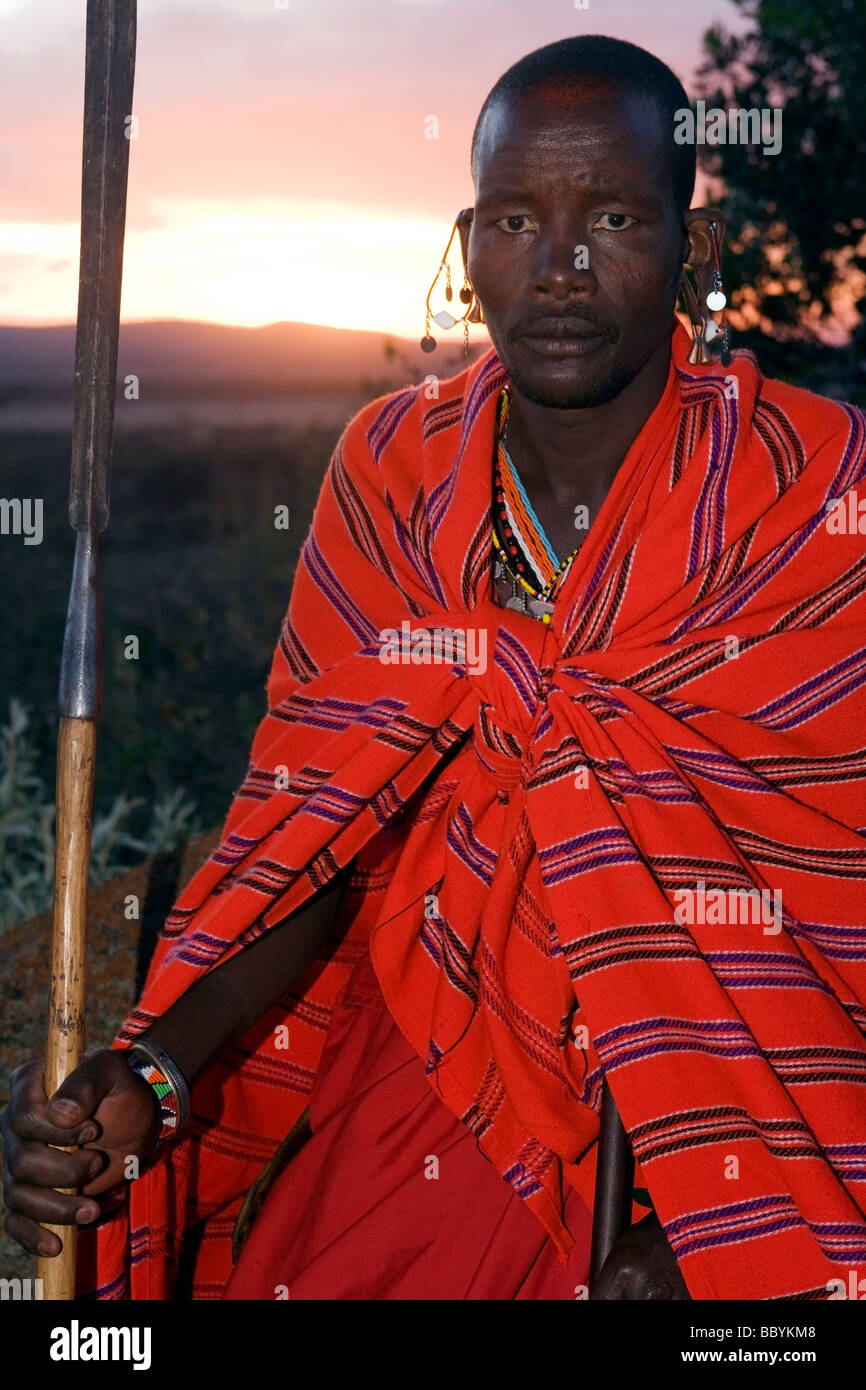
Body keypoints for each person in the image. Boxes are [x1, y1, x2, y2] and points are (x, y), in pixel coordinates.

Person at [3, 34, 866, 1302]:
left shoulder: (808, 491)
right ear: (467, 251)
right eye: (516, 219)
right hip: (433, 1080)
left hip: (733, 1113)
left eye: (614, 215)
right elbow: (313, 837)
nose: (559, 268)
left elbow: (828, 903)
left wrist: (693, 1225)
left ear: (693, 255)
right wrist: (154, 1073)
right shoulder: (393, 473)